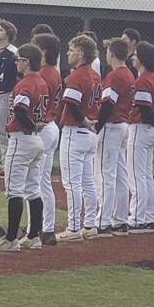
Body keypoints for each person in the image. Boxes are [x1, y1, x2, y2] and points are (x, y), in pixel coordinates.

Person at [0, 43, 47, 251]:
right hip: (35, 139)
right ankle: (34, 236)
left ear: (26, 61)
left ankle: (11, 239)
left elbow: (21, 111)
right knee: (33, 189)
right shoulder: (41, 81)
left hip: (21, 139)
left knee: (14, 190)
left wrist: (32, 125)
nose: (16, 63)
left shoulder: (25, 84)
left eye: (18, 60)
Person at [56, 34, 100, 243]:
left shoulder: (77, 76)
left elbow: (71, 106)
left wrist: (83, 120)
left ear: (81, 53)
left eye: (72, 49)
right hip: (90, 134)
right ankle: (89, 225)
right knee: (87, 182)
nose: (68, 53)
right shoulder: (95, 74)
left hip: (76, 131)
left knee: (72, 183)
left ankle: (73, 228)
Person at [93, 38, 134, 237]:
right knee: (119, 174)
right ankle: (120, 219)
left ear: (112, 53)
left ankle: (103, 221)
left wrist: (97, 127)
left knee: (106, 174)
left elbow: (108, 104)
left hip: (112, 124)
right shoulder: (128, 73)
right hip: (123, 124)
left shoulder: (115, 75)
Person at [125, 41, 154, 234]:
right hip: (149, 130)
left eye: (136, 54)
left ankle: (138, 218)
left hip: (141, 128)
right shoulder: (153, 78)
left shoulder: (142, 80)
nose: (133, 57)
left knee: (137, 176)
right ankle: (147, 217)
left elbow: (145, 109)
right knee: (146, 175)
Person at [32, 33, 62, 245]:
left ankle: (42, 227)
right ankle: (46, 227)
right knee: (43, 181)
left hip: (43, 127)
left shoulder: (44, 73)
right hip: (51, 127)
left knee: (37, 182)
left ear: (43, 51)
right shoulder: (53, 71)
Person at [0, 19, 19, 164]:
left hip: (5, 94)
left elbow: (18, 74)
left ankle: (5, 162)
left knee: (2, 130)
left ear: (8, 33)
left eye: (0, 29)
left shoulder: (13, 52)